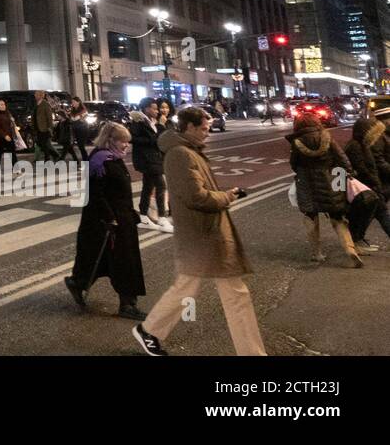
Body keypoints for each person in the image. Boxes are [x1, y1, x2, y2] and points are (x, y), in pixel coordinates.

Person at [134, 106, 265, 356]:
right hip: (202, 233)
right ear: (190, 127)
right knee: (232, 295)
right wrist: (227, 196)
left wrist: (224, 195)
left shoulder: (187, 151)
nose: (207, 133)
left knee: (193, 288)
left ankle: (149, 331)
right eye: (204, 129)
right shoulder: (181, 154)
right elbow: (197, 197)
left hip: (203, 232)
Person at [65, 122, 147, 320]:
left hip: (121, 218)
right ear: (110, 140)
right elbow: (96, 194)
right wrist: (110, 217)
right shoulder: (100, 161)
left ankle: (79, 283)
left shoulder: (113, 158)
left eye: (128, 142)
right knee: (121, 261)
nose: (126, 146)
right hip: (108, 222)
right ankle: (127, 304)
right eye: (122, 142)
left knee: (104, 260)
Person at [286, 113, 362, 267]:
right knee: (337, 217)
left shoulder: (297, 142)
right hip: (330, 181)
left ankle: (317, 253)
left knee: (310, 216)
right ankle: (350, 250)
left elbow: (293, 164)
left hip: (306, 183)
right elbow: (342, 159)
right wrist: (348, 172)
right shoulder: (327, 137)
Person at [130, 97, 173, 233]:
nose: (157, 111)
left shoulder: (153, 121)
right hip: (147, 160)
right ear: (146, 109)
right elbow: (135, 139)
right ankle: (162, 218)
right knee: (161, 186)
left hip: (154, 158)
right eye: (154, 108)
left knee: (148, 187)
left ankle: (143, 217)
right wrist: (160, 126)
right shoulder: (138, 121)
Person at [32, 90, 60, 161]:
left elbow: (49, 117)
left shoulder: (45, 104)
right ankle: (55, 155)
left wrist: (50, 128)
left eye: (36, 94)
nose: (35, 96)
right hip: (37, 128)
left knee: (43, 144)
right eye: (35, 94)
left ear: (41, 95)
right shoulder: (36, 104)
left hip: (44, 128)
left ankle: (47, 158)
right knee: (42, 144)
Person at [63, 96, 90, 163]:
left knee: (81, 146)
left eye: (74, 102)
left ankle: (86, 161)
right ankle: (81, 160)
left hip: (82, 129)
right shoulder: (72, 110)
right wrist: (67, 115)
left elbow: (82, 118)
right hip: (75, 130)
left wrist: (80, 118)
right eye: (72, 102)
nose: (72, 103)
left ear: (78, 102)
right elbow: (71, 119)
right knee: (76, 145)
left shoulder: (83, 110)